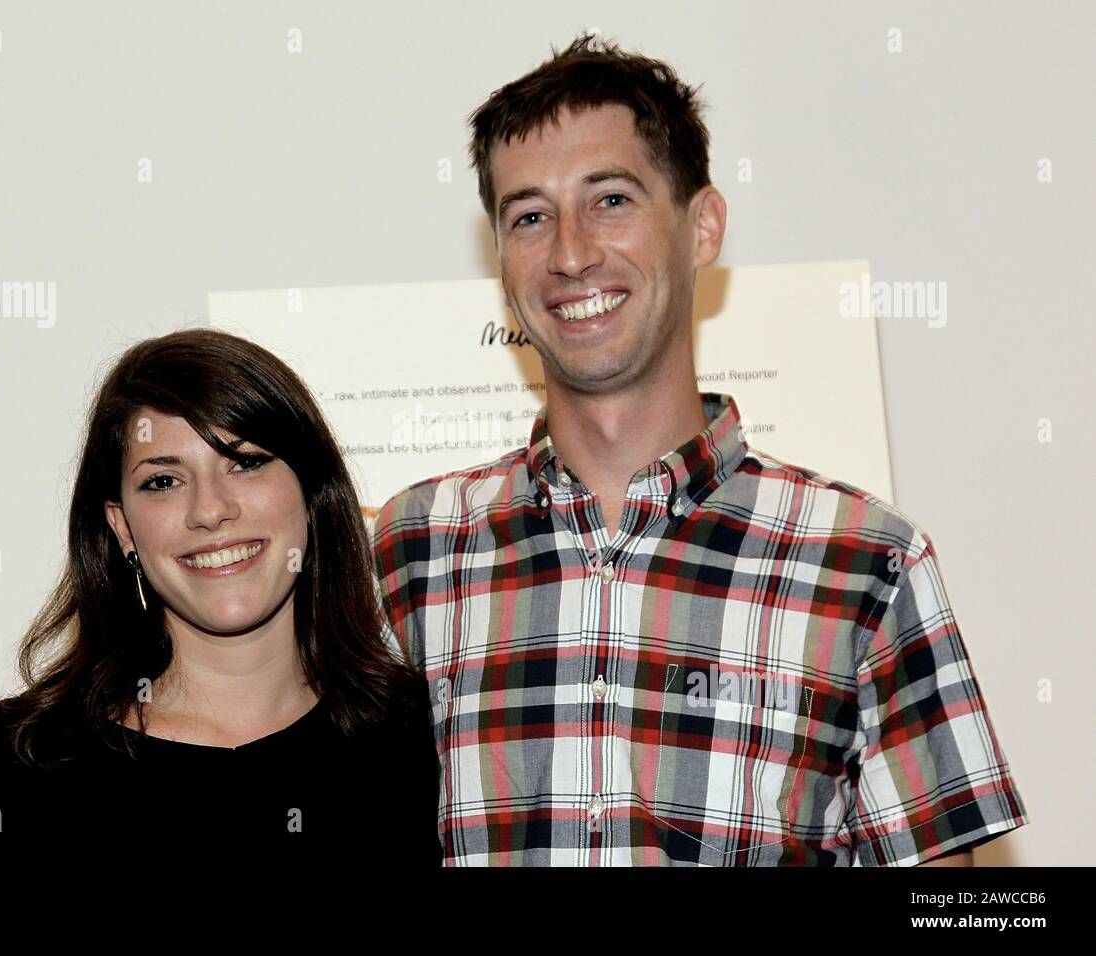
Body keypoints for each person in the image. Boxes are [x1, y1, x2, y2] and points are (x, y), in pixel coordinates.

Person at [368, 35, 1028, 865]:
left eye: (610, 200)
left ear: (703, 225)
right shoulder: (409, 551)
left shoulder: (866, 563)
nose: (570, 253)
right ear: (500, 257)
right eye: (529, 216)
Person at [0, 329, 441, 866]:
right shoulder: (6, 763)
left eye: (245, 462)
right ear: (123, 528)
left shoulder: (430, 741)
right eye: (163, 482)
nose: (210, 510)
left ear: (312, 493)